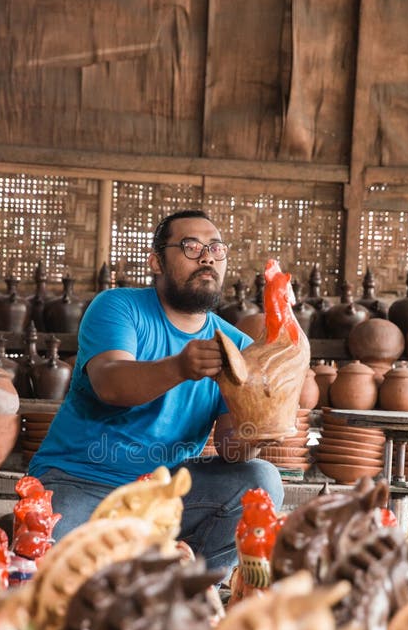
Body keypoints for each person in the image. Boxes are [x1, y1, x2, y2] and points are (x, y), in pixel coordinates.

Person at [28, 209, 284, 569]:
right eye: (191, 247)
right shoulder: (119, 307)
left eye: (216, 248)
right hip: (80, 481)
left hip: (165, 493)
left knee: (260, 478)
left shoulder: (237, 346)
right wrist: (180, 367)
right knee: (56, 568)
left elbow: (230, 448)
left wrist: (258, 429)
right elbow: (110, 384)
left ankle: (194, 589)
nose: (207, 256)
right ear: (157, 262)